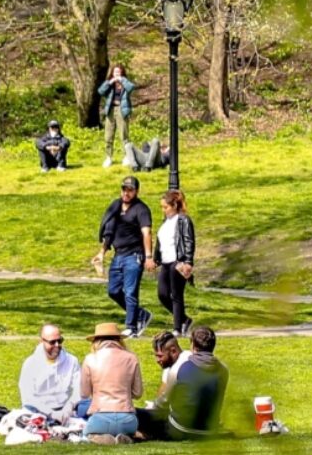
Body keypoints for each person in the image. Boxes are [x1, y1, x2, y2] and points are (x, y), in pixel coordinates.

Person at [138, 326, 229, 441]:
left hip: (182, 429)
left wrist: (151, 409)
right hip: (209, 430)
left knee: (136, 414)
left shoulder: (180, 368)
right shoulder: (224, 370)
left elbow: (163, 403)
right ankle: (142, 435)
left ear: (192, 345)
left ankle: (138, 435)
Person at [96, 175, 156, 337]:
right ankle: (142, 315)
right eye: (124, 189)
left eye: (130, 190)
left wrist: (149, 257)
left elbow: (147, 233)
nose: (126, 193)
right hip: (118, 254)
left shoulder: (141, 209)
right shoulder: (115, 206)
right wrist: (102, 252)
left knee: (130, 292)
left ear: (136, 191)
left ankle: (131, 327)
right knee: (113, 291)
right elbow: (109, 231)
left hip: (134, 255)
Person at [77, 322, 142, 442]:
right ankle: (126, 437)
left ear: (96, 341)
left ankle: (100, 438)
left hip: (100, 418)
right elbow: (138, 393)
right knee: (130, 427)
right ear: (119, 339)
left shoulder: (90, 359)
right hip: (127, 418)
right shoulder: (131, 358)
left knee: (86, 433)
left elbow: (84, 393)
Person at [18, 323, 83, 417]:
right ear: (41, 341)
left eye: (60, 341)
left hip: (64, 407)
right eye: (52, 342)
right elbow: (28, 397)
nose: (57, 345)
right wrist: (51, 413)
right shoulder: (30, 363)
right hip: (38, 409)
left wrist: (69, 407)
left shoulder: (72, 361)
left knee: (86, 405)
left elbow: (79, 389)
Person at [155, 189, 196, 336]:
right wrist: (155, 259)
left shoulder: (183, 220)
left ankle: (177, 328)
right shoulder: (165, 222)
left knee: (176, 294)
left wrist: (188, 261)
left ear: (174, 205)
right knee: (162, 294)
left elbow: (188, 241)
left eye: (166, 207)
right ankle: (184, 319)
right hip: (165, 262)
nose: (163, 210)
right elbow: (160, 243)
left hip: (177, 262)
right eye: (162, 207)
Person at [96, 65, 135, 168]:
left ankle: (126, 157)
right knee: (108, 136)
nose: (116, 74)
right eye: (115, 72)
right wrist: (110, 82)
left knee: (124, 135)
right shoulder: (110, 83)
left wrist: (122, 80)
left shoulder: (125, 82)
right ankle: (108, 157)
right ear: (112, 73)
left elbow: (131, 88)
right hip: (110, 110)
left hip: (122, 110)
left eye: (119, 72)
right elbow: (100, 91)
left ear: (122, 73)